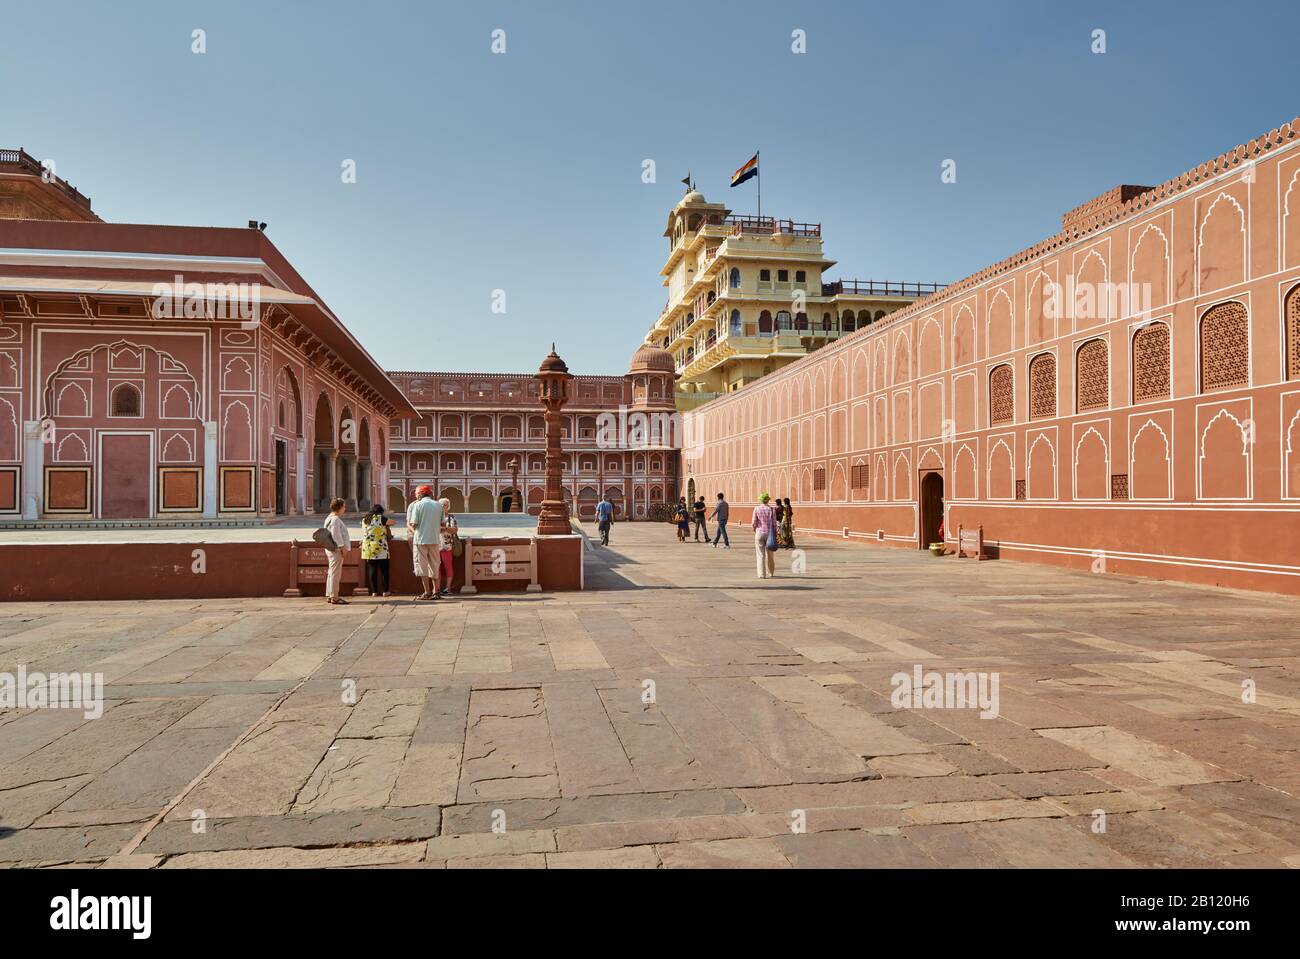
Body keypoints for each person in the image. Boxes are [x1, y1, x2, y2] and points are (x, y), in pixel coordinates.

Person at [406, 485, 444, 600]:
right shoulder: (438, 505)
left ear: (421, 494)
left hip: (420, 540)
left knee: (422, 567)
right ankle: (436, 592)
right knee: (435, 566)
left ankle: (427, 592)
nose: (416, 495)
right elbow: (442, 524)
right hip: (435, 539)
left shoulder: (417, 505)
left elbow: (413, 524)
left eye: (417, 493)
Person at [324, 497, 351, 605]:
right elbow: (336, 536)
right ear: (339, 508)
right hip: (336, 550)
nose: (345, 508)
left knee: (332, 573)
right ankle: (334, 596)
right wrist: (342, 548)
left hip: (330, 549)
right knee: (335, 573)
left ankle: (330, 595)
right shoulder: (335, 519)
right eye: (343, 506)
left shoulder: (329, 518)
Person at [361, 505, 392, 597]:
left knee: (372, 569)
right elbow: (392, 522)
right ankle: (385, 591)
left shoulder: (365, 519)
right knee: (384, 570)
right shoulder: (380, 517)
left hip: (369, 548)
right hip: (381, 547)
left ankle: (374, 592)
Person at [752, 492, 776, 579]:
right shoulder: (771, 509)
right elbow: (774, 523)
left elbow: (754, 522)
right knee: (770, 554)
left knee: (760, 555)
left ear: (760, 500)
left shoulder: (757, 508)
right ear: (767, 500)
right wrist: (775, 533)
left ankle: (762, 574)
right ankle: (771, 572)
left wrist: (755, 529)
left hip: (759, 533)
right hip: (769, 534)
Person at [437, 497, 458, 597]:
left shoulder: (451, 517)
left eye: (445, 505)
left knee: (448, 566)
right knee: (437, 568)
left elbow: (454, 530)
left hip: (447, 546)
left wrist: (443, 528)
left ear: (448, 507)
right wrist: (445, 528)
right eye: (441, 505)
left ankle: (447, 588)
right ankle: (437, 588)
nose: (443, 507)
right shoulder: (434, 517)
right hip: (435, 545)